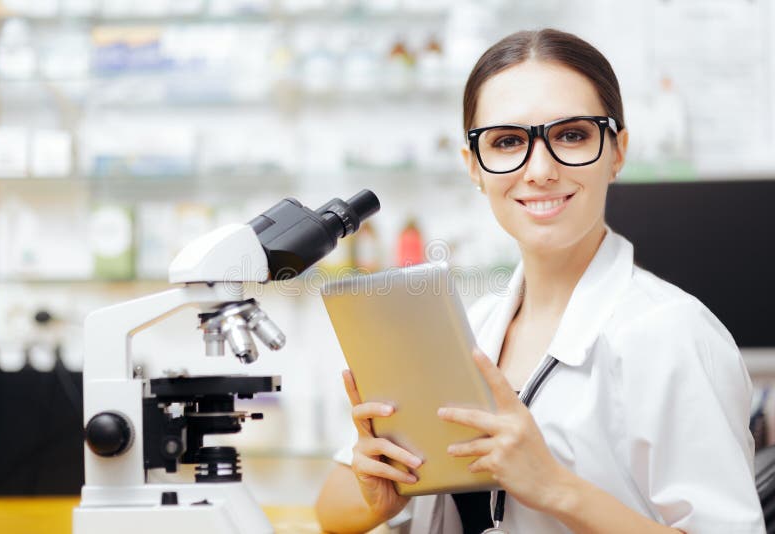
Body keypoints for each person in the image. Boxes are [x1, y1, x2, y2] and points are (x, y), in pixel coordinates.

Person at [315, 28, 765, 533]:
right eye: (507, 142)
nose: (540, 169)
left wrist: (554, 487)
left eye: (572, 135)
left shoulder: (673, 334)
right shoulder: (465, 328)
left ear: (617, 151)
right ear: (474, 168)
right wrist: (375, 492)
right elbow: (329, 510)